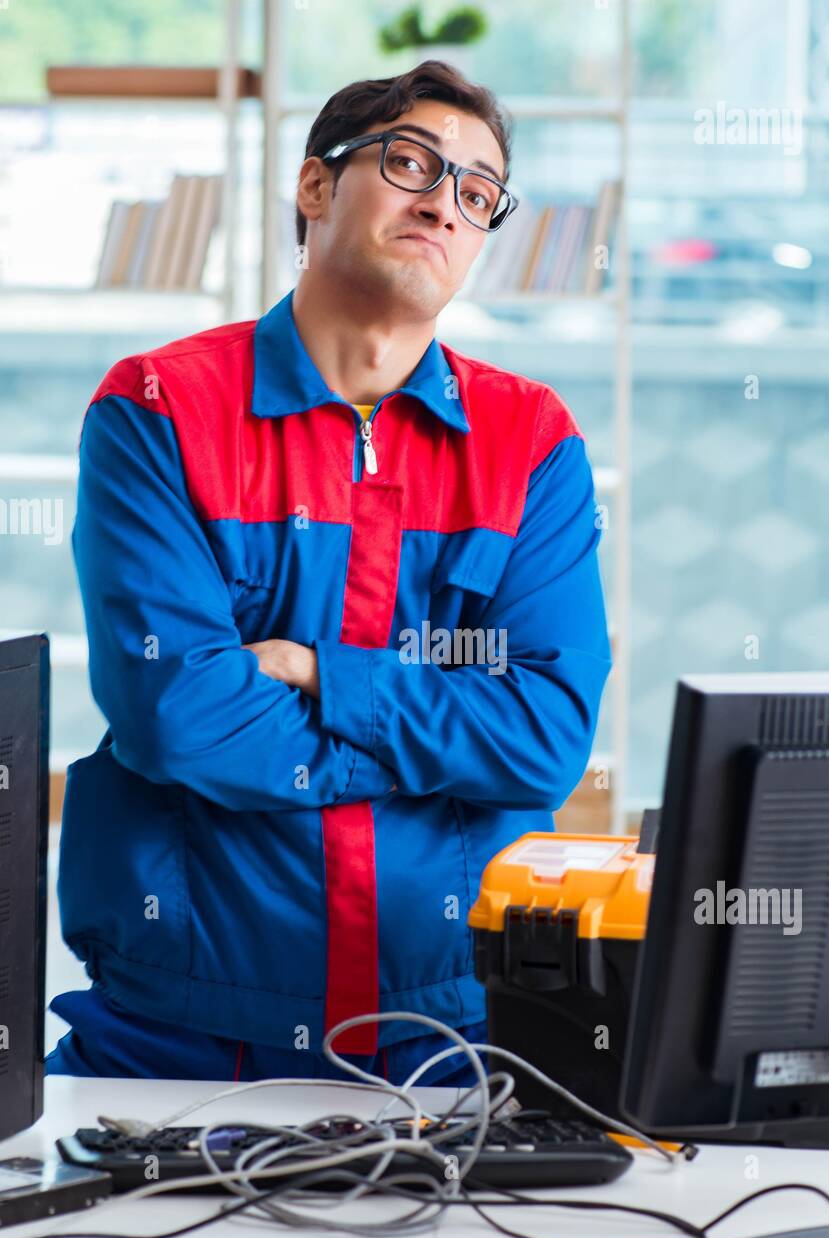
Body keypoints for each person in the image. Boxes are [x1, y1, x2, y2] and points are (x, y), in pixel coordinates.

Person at [47, 60, 611, 1086]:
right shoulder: (159, 411)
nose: (444, 202)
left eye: (476, 193)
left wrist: (319, 673)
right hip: (176, 1023)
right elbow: (180, 715)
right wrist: (431, 736)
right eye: (411, 163)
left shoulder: (530, 442)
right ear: (316, 189)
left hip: (454, 1029)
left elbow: (543, 740)